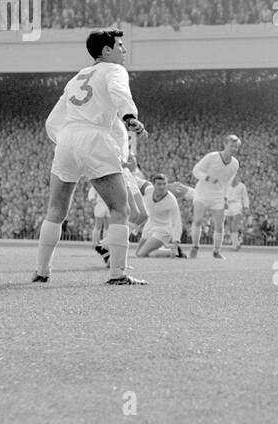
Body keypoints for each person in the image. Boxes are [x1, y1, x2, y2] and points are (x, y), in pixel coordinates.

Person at [34, 28, 149, 285]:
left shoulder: (76, 77)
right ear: (106, 50)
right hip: (94, 137)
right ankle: (118, 274)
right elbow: (120, 91)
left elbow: (52, 121)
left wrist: (65, 140)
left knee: (55, 210)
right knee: (121, 208)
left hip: (66, 140)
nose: (124, 50)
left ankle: (42, 271)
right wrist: (130, 117)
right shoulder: (114, 70)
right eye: (120, 45)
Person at [190, 134, 241, 258]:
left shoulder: (235, 164)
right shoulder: (212, 157)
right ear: (225, 145)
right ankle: (195, 247)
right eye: (231, 146)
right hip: (202, 192)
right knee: (197, 220)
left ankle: (216, 251)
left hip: (218, 196)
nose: (233, 149)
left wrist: (225, 197)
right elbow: (196, 170)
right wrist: (208, 178)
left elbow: (227, 183)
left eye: (236, 147)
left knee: (219, 225)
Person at [134, 174, 187, 258]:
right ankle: (169, 252)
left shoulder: (171, 200)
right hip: (149, 227)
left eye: (164, 184)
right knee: (139, 253)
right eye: (159, 184)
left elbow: (176, 222)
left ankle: (174, 251)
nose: (162, 187)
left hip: (164, 230)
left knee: (141, 254)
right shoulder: (148, 190)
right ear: (153, 184)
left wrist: (176, 244)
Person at [224, 177, 249, 250]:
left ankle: (234, 245)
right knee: (229, 225)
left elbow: (245, 197)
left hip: (237, 204)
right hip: (228, 205)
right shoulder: (227, 185)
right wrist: (224, 202)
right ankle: (236, 243)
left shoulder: (242, 186)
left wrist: (246, 206)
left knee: (234, 223)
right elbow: (223, 195)